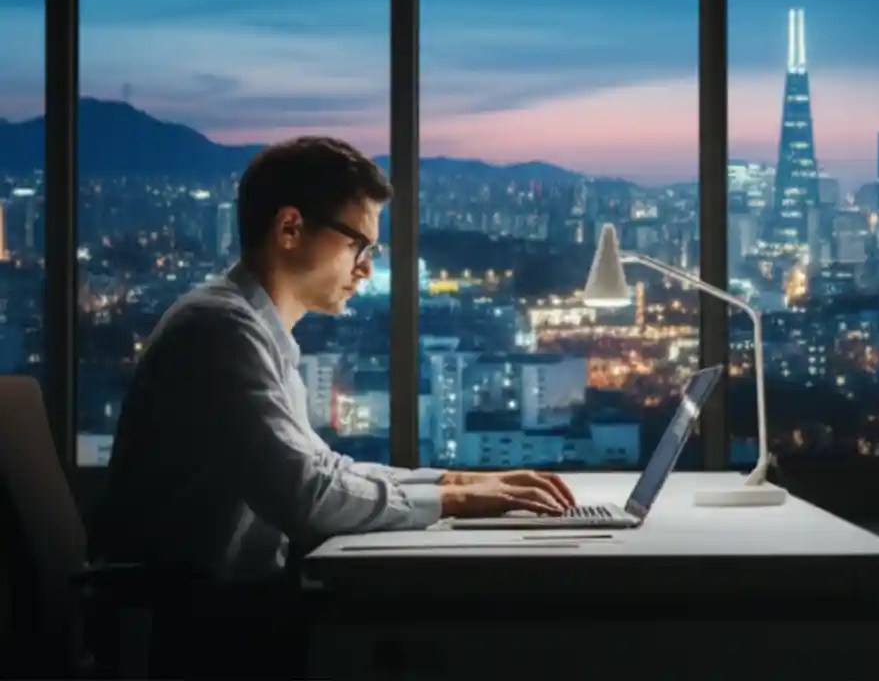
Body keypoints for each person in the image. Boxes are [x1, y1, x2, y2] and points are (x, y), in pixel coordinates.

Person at [89, 136, 575, 584]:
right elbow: (307, 495)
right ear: (290, 228)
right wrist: (457, 500)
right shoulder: (220, 332)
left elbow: (322, 469)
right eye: (356, 245)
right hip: (195, 625)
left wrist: (456, 480)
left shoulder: (248, 327)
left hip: (224, 608)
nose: (365, 268)